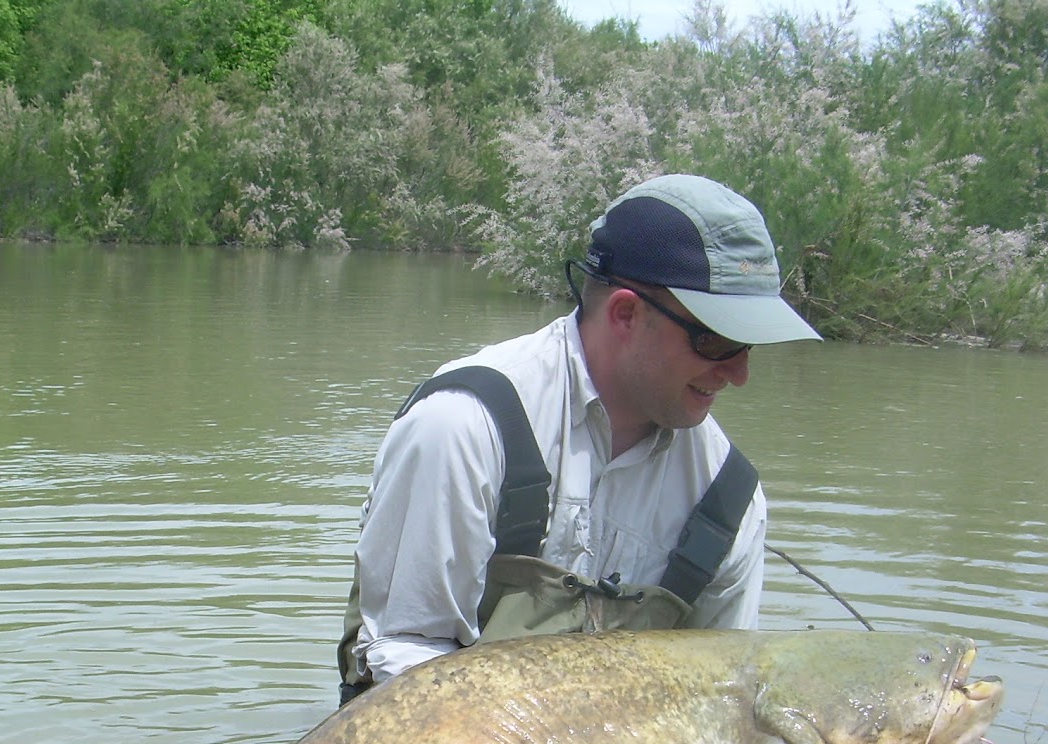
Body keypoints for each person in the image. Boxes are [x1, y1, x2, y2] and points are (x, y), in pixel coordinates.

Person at [337, 174, 821, 703]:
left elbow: (722, 697)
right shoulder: (459, 426)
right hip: (429, 736)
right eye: (715, 341)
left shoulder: (729, 499)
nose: (739, 374)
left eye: (748, 345)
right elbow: (403, 664)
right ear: (625, 314)